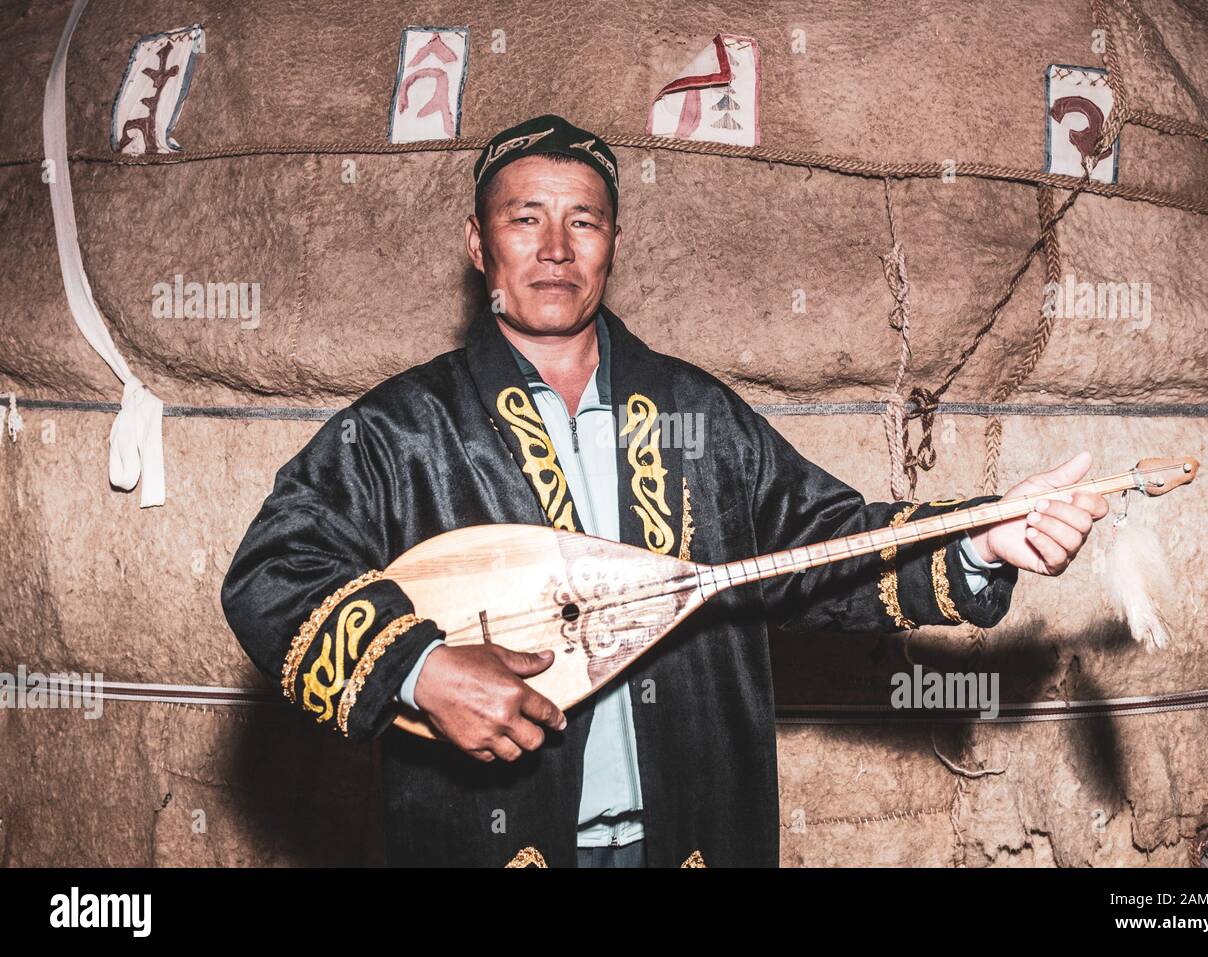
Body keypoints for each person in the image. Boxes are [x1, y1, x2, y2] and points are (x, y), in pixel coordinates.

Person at [221, 114, 1108, 868]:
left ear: (614, 242)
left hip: (694, 839)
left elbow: (823, 549)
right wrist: (419, 670)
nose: (557, 249)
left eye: (585, 222)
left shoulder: (698, 413)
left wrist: (982, 538)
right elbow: (272, 570)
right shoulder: (401, 427)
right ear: (477, 241)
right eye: (525, 220)